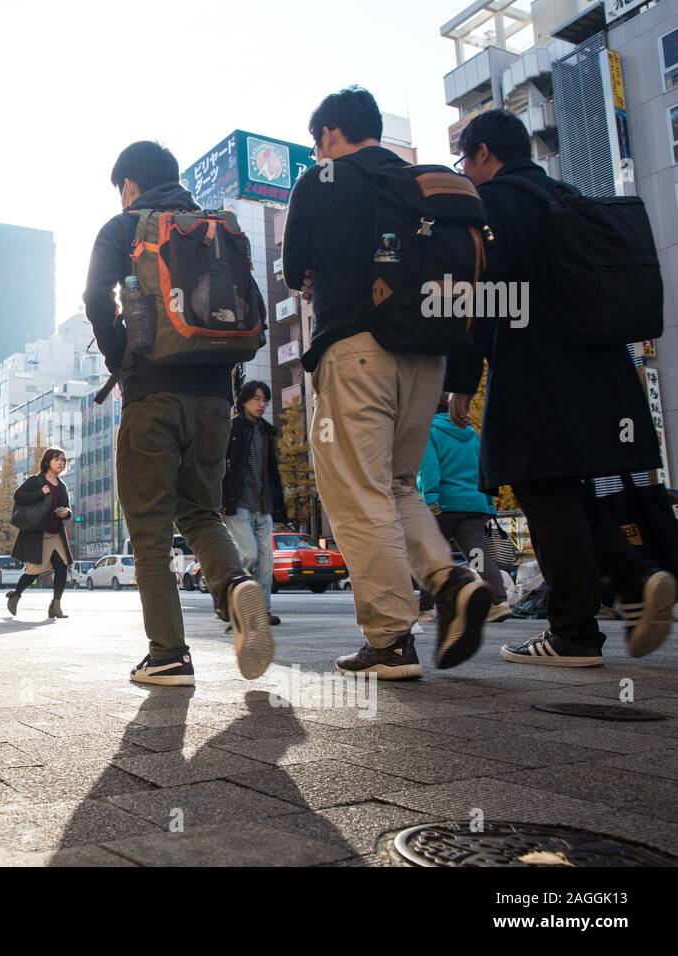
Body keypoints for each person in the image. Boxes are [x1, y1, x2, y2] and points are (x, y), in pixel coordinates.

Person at [449, 108, 675, 666]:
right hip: (599, 366)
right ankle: (634, 577)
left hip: (535, 369)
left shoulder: (494, 205)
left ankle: (573, 632)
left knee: (541, 488)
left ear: (483, 154)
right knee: (566, 490)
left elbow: (484, 297)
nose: (466, 170)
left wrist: (461, 381)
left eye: (465, 159)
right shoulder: (567, 194)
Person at [282, 86, 490, 680]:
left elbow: (296, 268)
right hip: (427, 358)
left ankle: (390, 639)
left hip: (356, 351)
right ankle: (449, 581)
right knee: (398, 485)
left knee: (356, 490)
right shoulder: (421, 181)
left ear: (327, 136)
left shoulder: (322, 180)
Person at [84, 141, 272, 687]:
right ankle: (235, 586)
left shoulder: (123, 227)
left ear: (129, 185)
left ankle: (167, 654)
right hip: (216, 399)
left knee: (149, 530)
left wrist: (122, 355)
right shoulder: (218, 227)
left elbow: (97, 297)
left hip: (152, 395)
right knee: (200, 511)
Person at [416, 395, 512, 622]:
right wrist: (488, 503)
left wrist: (429, 498)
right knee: (477, 555)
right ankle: (499, 602)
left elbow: (428, 467)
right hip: (475, 505)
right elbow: (483, 468)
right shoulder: (472, 434)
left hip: (443, 505)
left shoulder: (428, 431)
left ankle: (426, 609)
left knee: (431, 556)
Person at [223, 378, 287, 627]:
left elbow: (273, 473)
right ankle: (232, 604)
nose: (261, 405)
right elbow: (221, 465)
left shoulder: (267, 431)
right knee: (248, 555)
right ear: (244, 401)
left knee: (266, 561)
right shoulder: (232, 429)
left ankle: (262, 611)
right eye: (256, 399)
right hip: (238, 503)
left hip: (264, 505)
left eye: (265, 400)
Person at [7, 448, 74, 620]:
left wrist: (66, 513)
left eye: (63, 460)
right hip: (38, 534)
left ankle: (56, 605)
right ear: (47, 461)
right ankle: (16, 594)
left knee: (62, 567)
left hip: (56, 533)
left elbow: (68, 508)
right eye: (57, 459)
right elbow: (18, 496)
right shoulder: (35, 481)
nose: (61, 463)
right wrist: (40, 493)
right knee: (33, 572)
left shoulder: (63, 486)